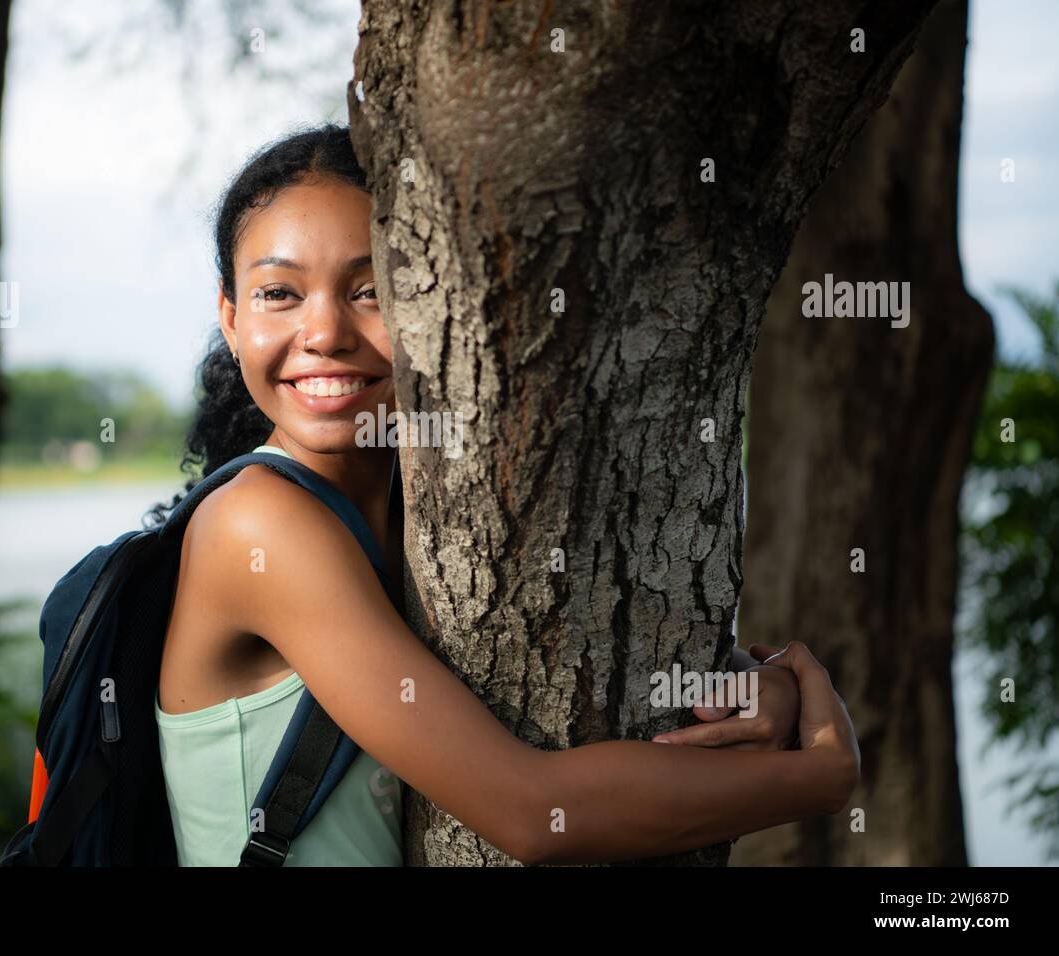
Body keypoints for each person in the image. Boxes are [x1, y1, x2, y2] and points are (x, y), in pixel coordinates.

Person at [148, 123, 860, 866]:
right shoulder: (259, 526)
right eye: (279, 293)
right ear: (231, 319)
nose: (323, 330)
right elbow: (531, 811)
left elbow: (612, 696)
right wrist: (814, 778)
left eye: (370, 290)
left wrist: (749, 696)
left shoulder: (417, 508)